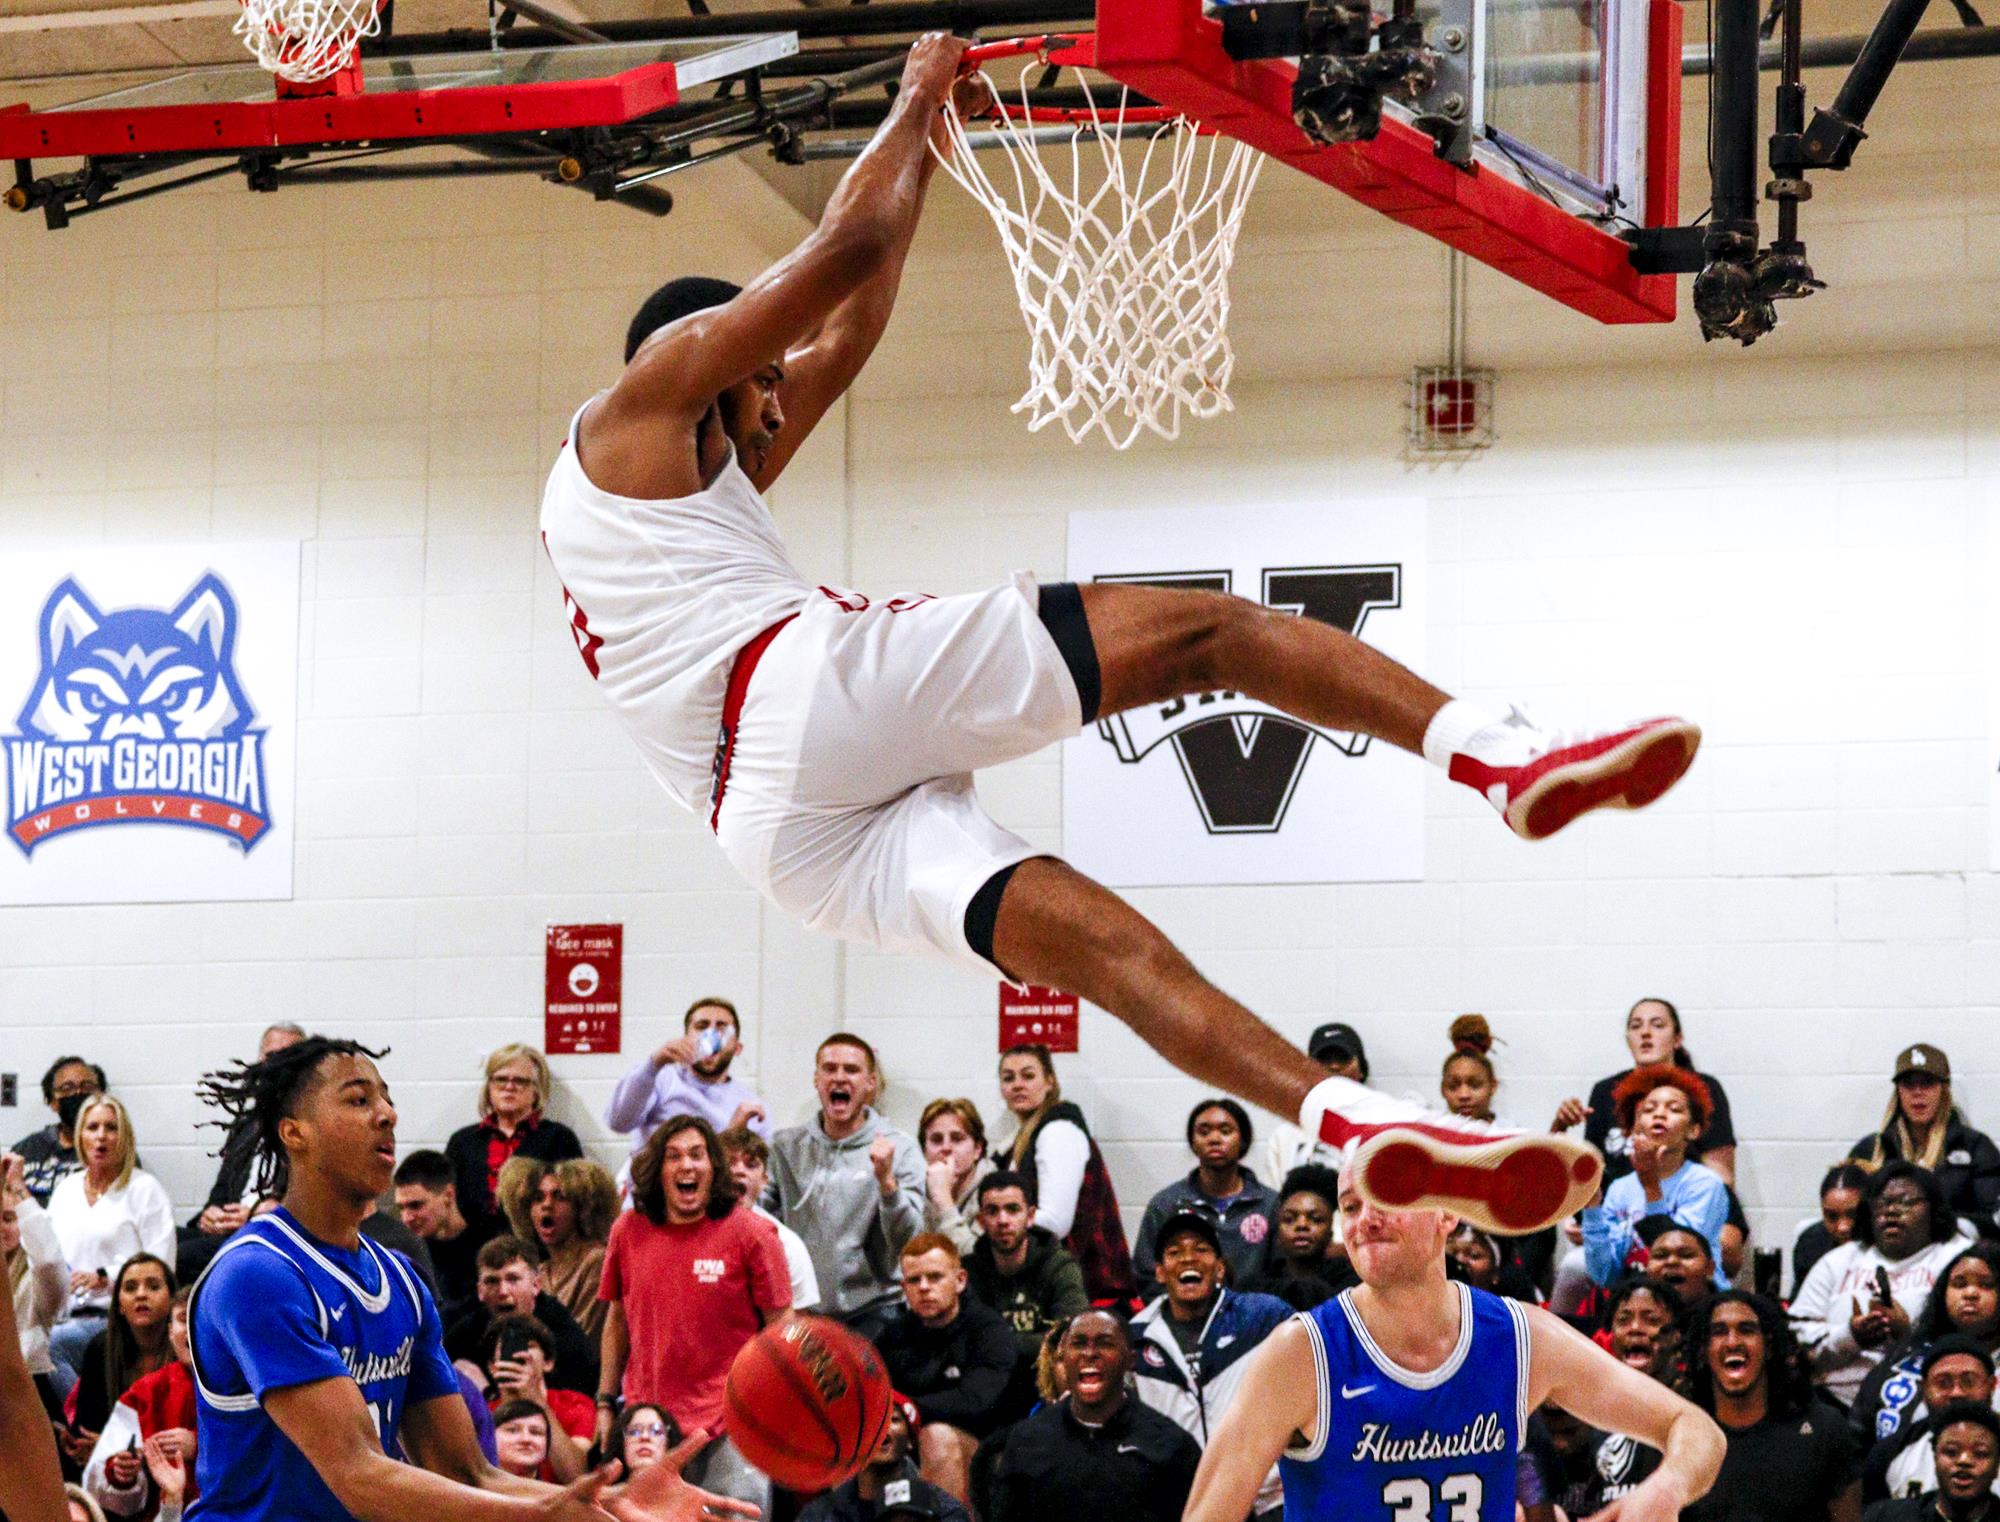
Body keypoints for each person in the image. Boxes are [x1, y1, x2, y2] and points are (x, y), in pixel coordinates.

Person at [538, 25, 1693, 1229]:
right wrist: (919, 86)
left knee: (1102, 950)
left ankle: (1347, 1118)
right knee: (1215, 635)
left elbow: (849, 332)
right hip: (796, 697)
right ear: (700, 356)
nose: (782, 402)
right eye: (761, 378)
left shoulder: (660, 511)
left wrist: (930, 144)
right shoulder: (639, 404)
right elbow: (849, 249)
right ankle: (1497, 753)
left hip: (779, 842)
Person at [185, 1033, 756, 1522]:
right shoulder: (259, 1274)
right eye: (358, 1100)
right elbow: (356, 1473)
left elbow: (468, 1471)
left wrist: (612, 1505)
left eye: (387, 1099)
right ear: (295, 1133)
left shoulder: (401, 1280)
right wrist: (542, 1516)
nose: (387, 1114)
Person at [1180, 1183, 1725, 1522]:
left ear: (1448, 1215)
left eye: (1388, 1198)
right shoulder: (1302, 1353)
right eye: (1350, 1204)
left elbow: (1695, 1428)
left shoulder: (1519, 1337)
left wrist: (1666, 1491)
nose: (1365, 1218)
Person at [596, 1113, 789, 1513]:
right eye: (674, 1156)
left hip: (733, 1421)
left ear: (714, 1167)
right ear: (659, 1170)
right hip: (649, 1423)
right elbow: (617, 1322)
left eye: (698, 1155)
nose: (687, 1165)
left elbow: (782, 1327)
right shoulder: (628, 1230)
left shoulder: (752, 1233)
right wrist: (603, 1401)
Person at [1129, 1208, 1293, 1520]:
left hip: (1268, 1504)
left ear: (1219, 1269)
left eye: (1201, 1250)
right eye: (1175, 1252)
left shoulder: (1263, 1318)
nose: (1188, 1259)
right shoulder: (1135, 1339)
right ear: (1161, 1272)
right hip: (1188, 1506)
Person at [763, 1033, 924, 1332]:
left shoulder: (900, 1148)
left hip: (876, 1312)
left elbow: (911, 1242)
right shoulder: (785, 1147)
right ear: (816, 1079)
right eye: (829, 1068)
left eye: (851, 1070)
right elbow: (757, 1219)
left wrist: (887, 1184)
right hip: (801, 1311)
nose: (839, 1078)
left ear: (870, 1083)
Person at [984, 1310, 1201, 1522]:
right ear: (1063, 1359)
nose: (1089, 1353)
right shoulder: (1027, 1440)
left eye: (1104, 1343)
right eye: (1078, 1344)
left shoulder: (1170, 1445)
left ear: (1130, 1360)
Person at [1795, 1163, 1976, 1407]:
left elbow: (1976, 1337)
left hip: (1923, 1402)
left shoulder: (1957, 1258)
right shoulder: (1839, 1261)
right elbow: (1795, 1340)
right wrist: (1851, 1336)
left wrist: (1908, 1333)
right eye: (1882, 1203)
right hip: (1834, 1401)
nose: (1891, 1211)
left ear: (1933, 1208)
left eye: (1905, 1202)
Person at [1682, 1290, 1862, 1522]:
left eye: (1746, 1330)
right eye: (1719, 1332)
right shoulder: (1682, 1440)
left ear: (1769, 1347)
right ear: (1704, 1351)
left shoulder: (1824, 1429)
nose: (1732, 1342)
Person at [873, 1234, 1017, 1504]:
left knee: (936, 1437)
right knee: (857, 1442)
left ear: (960, 1280)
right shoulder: (892, 1336)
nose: (924, 1288)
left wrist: (907, 1408)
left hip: (985, 1451)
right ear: (904, 1288)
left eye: (935, 1277)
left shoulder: (988, 1330)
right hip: (909, 1444)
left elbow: (976, 1401)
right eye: (914, 1281)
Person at [45, 1098, 174, 1396]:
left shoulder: (145, 1189)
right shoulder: (65, 1190)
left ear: (123, 1136)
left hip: (118, 1317)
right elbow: (48, 1257)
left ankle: (86, 1425)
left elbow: (163, 1265)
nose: (101, 1136)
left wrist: (106, 1276)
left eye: (111, 1128)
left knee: (54, 1347)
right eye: (93, 1127)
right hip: (65, 1313)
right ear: (80, 1136)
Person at [994, 1045, 1136, 1303]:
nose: (1017, 1085)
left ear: (1049, 1082)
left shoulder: (1057, 1131)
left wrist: (993, 1232)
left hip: (1086, 1287)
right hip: (1061, 1282)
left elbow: (1055, 1223)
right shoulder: (1021, 1140)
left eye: (1028, 1076)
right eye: (1008, 1078)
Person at [1555, 998, 1740, 1186]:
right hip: (1618, 1208)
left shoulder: (1704, 1089)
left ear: (1677, 1039)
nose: (1645, 1033)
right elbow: (1591, 1174)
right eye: (1636, 1026)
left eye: (1658, 1025)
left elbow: (1721, 1178)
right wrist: (1560, 1128)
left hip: (1683, 1207)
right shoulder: (1605, 1091)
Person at [1582, 1064, 1731, 1289]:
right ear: (1634, 1128)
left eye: (1674, 1109)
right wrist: (1592, 1210)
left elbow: (1677, 1262)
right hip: (1636, 1300)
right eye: (1649, 1109)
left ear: (1693, 1130)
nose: (1659, 1114)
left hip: (1693, 1302)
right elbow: (1603, 1275)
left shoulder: (1705, 1184)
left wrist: (1650, 1186)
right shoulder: (1619, 1189)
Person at [176, 1025, 305, 1281]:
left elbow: (316, 1197)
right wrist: (210, 1214)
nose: (278, 1065)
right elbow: (221, 1190)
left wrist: (260, 1213)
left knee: (183, 1255)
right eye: (271, 1057)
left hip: (276, 1232)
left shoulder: (311, 1126)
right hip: (231, 1226)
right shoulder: (247, 1125)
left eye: (288, 1056)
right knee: (165, 1240)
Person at [1441, 1015, 1557, 1294]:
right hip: (1448, 1246)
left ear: (1493, 1086)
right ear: (1443, 1090)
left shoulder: (1515, 1138)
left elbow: (1538, 1218)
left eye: (1474, 1084)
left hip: (1505, 1251)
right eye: (1454, 1086)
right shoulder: (1434, 1138)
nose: (1464, 1094)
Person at [1854, 1244, 2000, 1462]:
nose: (1970, 1293)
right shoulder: (1905, 1360)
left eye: (1986, 1285)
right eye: (1959, 1284)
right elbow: (1859, 1435)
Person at [961, 1171, 1088, 1420]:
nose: (1003, 1220)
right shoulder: (969, 1272)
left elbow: (1072, 1334)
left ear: (1030, 1216)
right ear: (980, 1220)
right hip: (990, 1392)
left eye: (1012, 1209)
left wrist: (999, 1344)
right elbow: (962, 1341)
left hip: (1043, 1388)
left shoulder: (1059, 1265)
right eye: (992, 1211)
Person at [1852, 1047, 2000, 1239]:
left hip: (1953, 1249)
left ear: (1944, 1090)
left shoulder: (1975, 1147)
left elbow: (1992, 1218)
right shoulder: (1871, 1149)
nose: (1918, 1092)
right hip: (1886, 1249)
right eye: (1908, 1084)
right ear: (1898, 1091)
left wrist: (1944, 1223)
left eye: (1927, 1083)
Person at [1133, 1098, 1277, 1292]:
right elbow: (1146, 1275)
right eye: (1204, 1132)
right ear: (1192, 1142)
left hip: (1257, 1317)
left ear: (1243, 1140)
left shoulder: (1271, 1204)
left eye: (1225, 1131)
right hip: (1185, 1315)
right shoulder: (1166, 1205)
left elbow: (1284, 1273)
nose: (1214, 1139)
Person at [442, 1045, 582, 1245]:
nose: (509, 1087)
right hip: (468, 1254)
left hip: (537, 1251)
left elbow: (571, 1207)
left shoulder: (559, 1139)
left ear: (536, 1091)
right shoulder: (462, 1142)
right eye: (500, 1079)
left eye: (520, 1081)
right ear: (489, 1087)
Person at [81, 1287, 198, 1519]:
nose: (193, 1328)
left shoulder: (248, 1384)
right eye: (184, 1319)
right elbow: (98, 1488)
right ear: (170, 1332)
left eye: (201, 1318)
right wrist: (123, 1476)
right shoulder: (144, 1393)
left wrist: (201, 1446)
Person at [604, 998, 768, 1156]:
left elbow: (755, 1176)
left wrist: (734, 1135)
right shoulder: (659, 1079)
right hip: (651, 1183)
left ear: (737, 1048)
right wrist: (654, 1063)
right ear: (687, 1039)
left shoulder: (750, 1109)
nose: (710, 1036)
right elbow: (618, 1123)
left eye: (721, 1028)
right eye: (701, 1026)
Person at [442, 1235, 598, 1395]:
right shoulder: (464, 1335)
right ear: (480, 1291)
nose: (503, 1291)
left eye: (513, 1279)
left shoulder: (563, 1335)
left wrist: (487, 1393)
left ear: (536, 1285)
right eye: (492, 1281)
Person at [64, 1254, 176, 1474]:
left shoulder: (185, 1350)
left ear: (172, 1299)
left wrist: (111, 1446)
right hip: (115, 1474)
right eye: (131, 1288)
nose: (141, 1294)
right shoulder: (101, 1349)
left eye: (153, 1286)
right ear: (120, 1305)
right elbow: (87, 1431)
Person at [494, 1156, 620, 1342]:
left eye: (560, 1197)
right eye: (537, 1198)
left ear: (582, 1208)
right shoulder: (541, 1272)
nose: (546, 1205)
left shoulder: (596, 1261)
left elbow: (583, 1341)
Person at [1864, 1338, 1998, 1503]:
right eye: (1943, 1383)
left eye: (1968, 1382)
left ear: (1992, 1386)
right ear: (1925, 1388)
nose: (1956, 1393)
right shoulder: (1890, 1453)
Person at [798, 1395, 969, 1522]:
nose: (882, 1429)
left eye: (893, 1419)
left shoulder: (943, 1510)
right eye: (873, 1419)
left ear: (910, 1440)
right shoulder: (818, 1516)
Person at [479, 1314, 592, 1483]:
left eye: (528, 1346)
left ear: (548, 1362)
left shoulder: (575, 1405)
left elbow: (576, 1476)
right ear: (492, 1366)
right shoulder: (481, 1413)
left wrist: (536, 1399)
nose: (519, 1354)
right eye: (508, 1348)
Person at [717, 1126, 820, 1310]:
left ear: (764, 1181)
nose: (739, 1170)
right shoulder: (688, 1231)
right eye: (730, 1162)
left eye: (751, 1164)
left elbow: (797, 1325)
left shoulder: (786, 1244)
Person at [1261, 1024, 1369, 1184]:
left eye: (1343, 1058)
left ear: (1361, 1070)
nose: (1334, 1066)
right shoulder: (1285, 1137)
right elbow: (1275, 1200)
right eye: (1324, 1060)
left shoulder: (1385, 1130)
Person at [5, 1149, 70, 1410]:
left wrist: (18, 1187)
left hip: (27, 1397)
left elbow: (49, 1261)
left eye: (9, 1219)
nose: (2, 1227)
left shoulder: (36, 1283)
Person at [1240, 1164, 1354, 1311]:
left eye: (1315, 1219)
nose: (1302, 1225)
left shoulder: (1351, 1283)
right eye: (1289, 1219)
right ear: (1277, 1231)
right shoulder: (1253, 1286)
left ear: (1330, 1231)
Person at [1862, 1402, 2000, 1522]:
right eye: (1951, 1452)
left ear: (1997, 1465)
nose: (1964, 1461)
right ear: (1935, 1457)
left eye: (1980, 1453)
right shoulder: (1885, 1517)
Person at [392, 1151, 481, 1322]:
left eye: (415, 1205)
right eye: (401, 1208)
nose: (406, 1218)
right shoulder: (408, 1254)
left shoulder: (487, 1242)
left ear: (448, 1195)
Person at [14, 1057, 106, 1207]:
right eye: (67, 1088)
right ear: (52, 1102)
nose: (78, 1093)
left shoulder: (115, 1150)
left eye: (87, 1086)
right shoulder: (26, 1150)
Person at [917, 1099, 992, 1256]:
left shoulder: (996, 1191)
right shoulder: (916, 1189)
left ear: (977, 1149)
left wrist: (944, 1202)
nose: (946, 1148)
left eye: (957, 1139)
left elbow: (976, 1263)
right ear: (924, 1151)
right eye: (936, 1140)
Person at [1802, 1164, 1874, 1298]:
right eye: (1832, 1216)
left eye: (1853, 1215)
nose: (1843, 1227)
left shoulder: (1888, 1243)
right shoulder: (1811, 1242)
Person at [1640, 1219, 1719, 1322]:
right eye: (1660, 1255)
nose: (1672, 1261)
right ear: (1647, 1268)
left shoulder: (1729, 1319)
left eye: (1686, 1255)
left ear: (1710, 1268)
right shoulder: (1633, 1322)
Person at [491, 1398, 553, 1481]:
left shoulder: (562, 1493)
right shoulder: (470, 1490)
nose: (526, 1439)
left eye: (536, 1432)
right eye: (512, 1430)